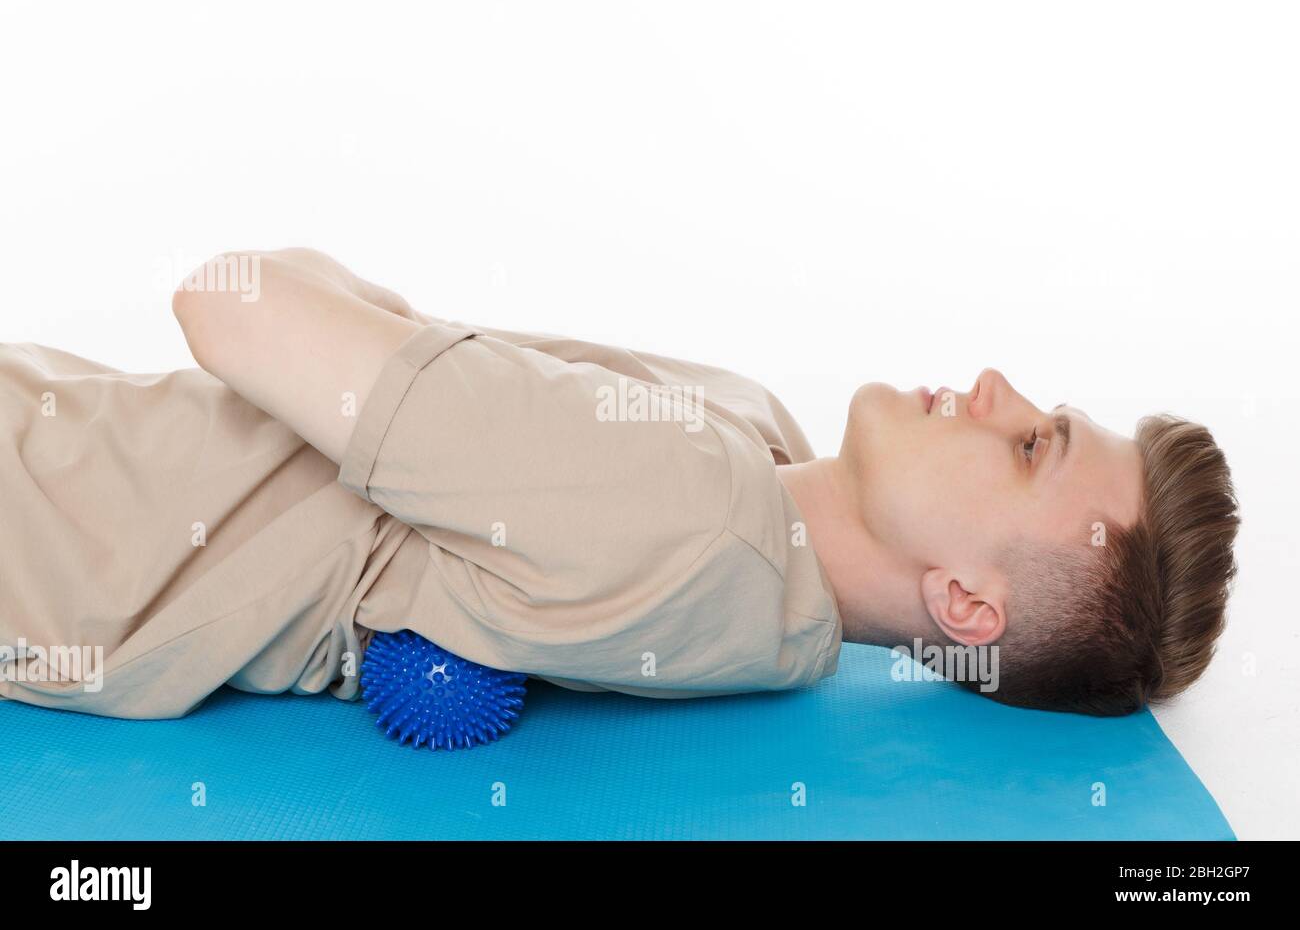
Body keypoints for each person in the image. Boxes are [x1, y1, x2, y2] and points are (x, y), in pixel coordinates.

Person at [0, 248, 1239, 719]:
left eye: (1030, 445)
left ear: (966, 606)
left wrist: (336, 291)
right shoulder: (758, 462)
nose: (993, 384)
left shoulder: (682, 501)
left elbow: (225, 299)